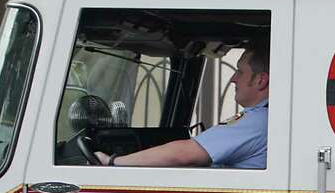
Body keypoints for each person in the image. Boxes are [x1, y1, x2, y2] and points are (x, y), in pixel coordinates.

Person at [96, 45, 269, 169]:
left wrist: (112, 162)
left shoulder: (258, 120)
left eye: (240, 71)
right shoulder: (265, 118)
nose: (233, 79)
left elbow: (185, 154)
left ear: (261, 80)